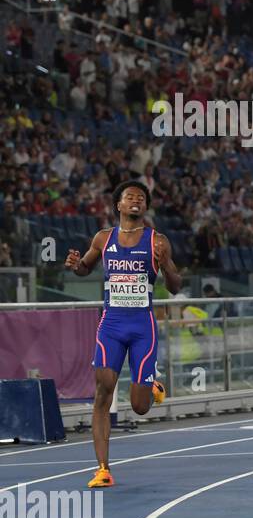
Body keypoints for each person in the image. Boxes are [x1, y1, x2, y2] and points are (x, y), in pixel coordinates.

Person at [63, 180, 183, 488]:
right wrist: (76, 265)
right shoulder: (103, 239)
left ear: (145, 207)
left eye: (141, 198)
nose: (135, 201)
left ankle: (151, 384)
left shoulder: (158, 240)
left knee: (141, 407)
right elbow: (85, 269)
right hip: (111, 326)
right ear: (118, 205)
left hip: (142, 328)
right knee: (103, 393)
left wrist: (165, 263)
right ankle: (103, 469)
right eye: (129, 197)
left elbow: (175, 286)